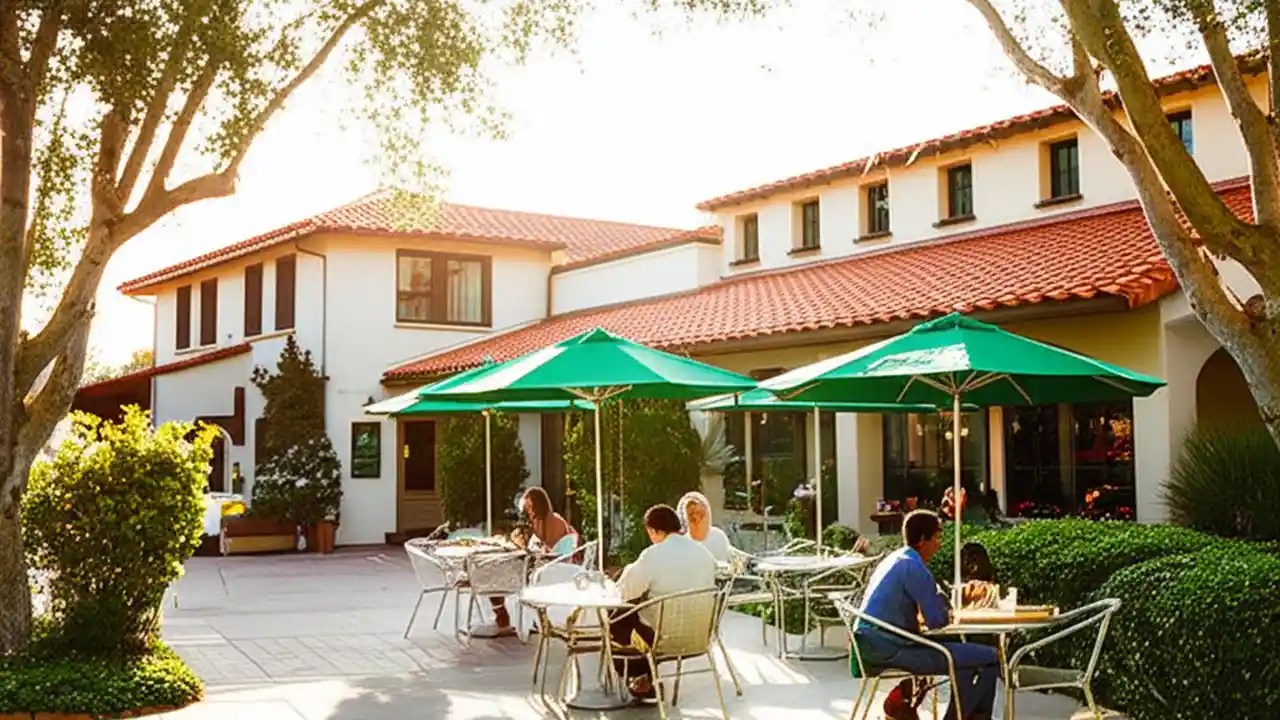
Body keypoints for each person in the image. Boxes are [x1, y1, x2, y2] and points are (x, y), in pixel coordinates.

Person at [855, 510, 999, 720]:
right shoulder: (914, 567)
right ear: (923, 539)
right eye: (937, 537)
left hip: (871, 646)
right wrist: (957, 602)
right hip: (891, 650)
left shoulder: (895, 559)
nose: (939, 544)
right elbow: (937, 621)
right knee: (989, 658)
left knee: (967, 657)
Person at [612, 504, 717, 702]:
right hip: (700, 637)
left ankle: (641, 677)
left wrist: (627, 572)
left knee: (615, 618)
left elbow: (625, 592)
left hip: (662, 639)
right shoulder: (704, 553)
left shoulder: (654, 554)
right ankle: (646, 679)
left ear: (654, 531)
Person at [487, 487, 576, 635]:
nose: (528, 511)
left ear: (538, 505)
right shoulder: (542, 521)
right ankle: (501, 613)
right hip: (546, 566)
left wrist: (524, 547)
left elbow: (548, 554)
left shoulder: (552, 522)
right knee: (497, 569)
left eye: (530, 507)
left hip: (551, 570)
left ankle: (501, 614)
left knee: (496, 572)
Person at [676, 491, 733, 562]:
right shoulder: (681, 542)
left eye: (700, 513)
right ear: (685, 517)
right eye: (691, 514)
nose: (697, 518)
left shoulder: (719, 536)